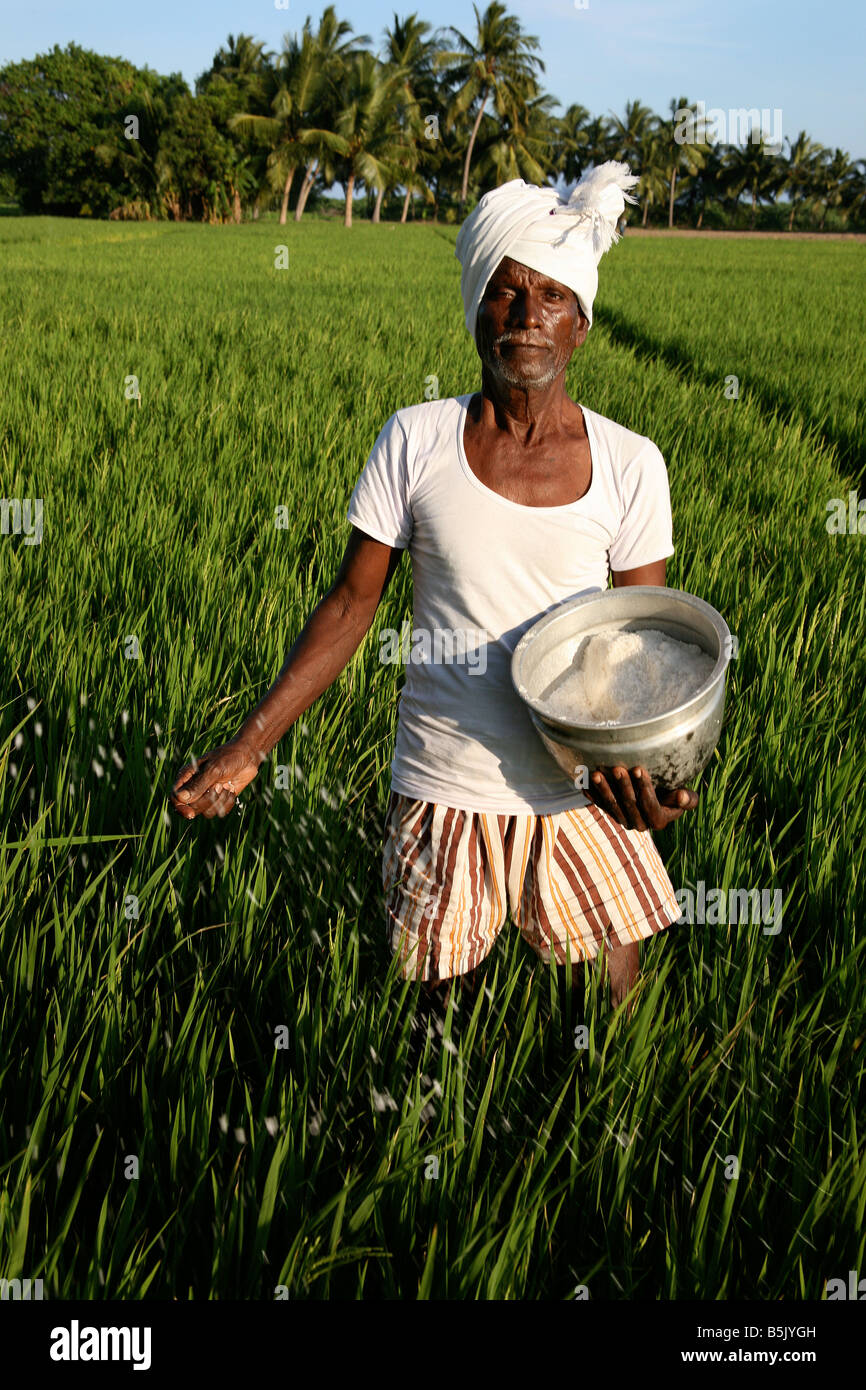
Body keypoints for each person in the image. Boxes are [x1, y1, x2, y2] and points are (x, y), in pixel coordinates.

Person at [170, 162, 699, 1021]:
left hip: (575, 792)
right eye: (506, 292)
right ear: (477, 312)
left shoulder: (633, 464)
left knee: (611, 1009)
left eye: (553, 297)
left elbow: (643, 647)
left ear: (582, 328)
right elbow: (351, 604)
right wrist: (249, 745)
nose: (527, 316)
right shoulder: (416, 439)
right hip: (443, 779)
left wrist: (655, 781)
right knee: (433, 1026)